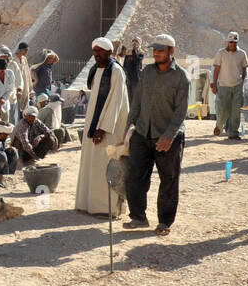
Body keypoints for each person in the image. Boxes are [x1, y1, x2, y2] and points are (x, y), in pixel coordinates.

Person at [124, 35, 189, 236]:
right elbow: (137, 101)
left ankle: (165, 222)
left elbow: (180, 112)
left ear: (172, 51)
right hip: (143, 132)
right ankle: (138, 217)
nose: (157, 53)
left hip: (168, 136)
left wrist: (169, 135)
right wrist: (127, 128)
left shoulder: (181, 77)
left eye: (161, 50)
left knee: (168, 179)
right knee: (134, 176)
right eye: (155, 50)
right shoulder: (147, 72)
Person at [75, 36, 129, 216]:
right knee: (92, 164)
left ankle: (106, 208)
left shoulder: (116, 71)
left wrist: (102, 128)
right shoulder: (96, 70)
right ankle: (89, 204)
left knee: (107, 165)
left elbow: (115, 102)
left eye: (100, 51)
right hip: (95, 124)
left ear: (109, 52)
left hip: (109, 129)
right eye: (95, 51)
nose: (96, 54)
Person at [211, 31, 248, 140]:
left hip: (237, 86)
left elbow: (244, 67)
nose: (232, 44)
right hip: (223, 86)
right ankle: (219, 126)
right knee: (223, 109)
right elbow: (216, 69)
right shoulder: (220, 53)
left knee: (235, 111)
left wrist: (243, 80)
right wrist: (214, 84)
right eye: (231, 42)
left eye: (235, 42)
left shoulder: (242, 53)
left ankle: (233, 133)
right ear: (227, 42)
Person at [123, 37, 144, 102]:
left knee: (135, 97)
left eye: (136, 41)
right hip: (128, 78)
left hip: (136, 79)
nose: (134, 43)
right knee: (128, 97)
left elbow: (136, 61)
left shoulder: (141, 53)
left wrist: (134, 51)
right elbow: (125, 65)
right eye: (133, 41)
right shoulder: (128, 52)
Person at [14, 42, 34, 109]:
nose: (26, 52)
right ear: (21, 50)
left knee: (25, 102)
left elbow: (27, 72)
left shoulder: (24, 59)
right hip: (16, 84)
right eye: (25, 50)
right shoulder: (13, 59)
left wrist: (30, 86)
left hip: (25, 83)